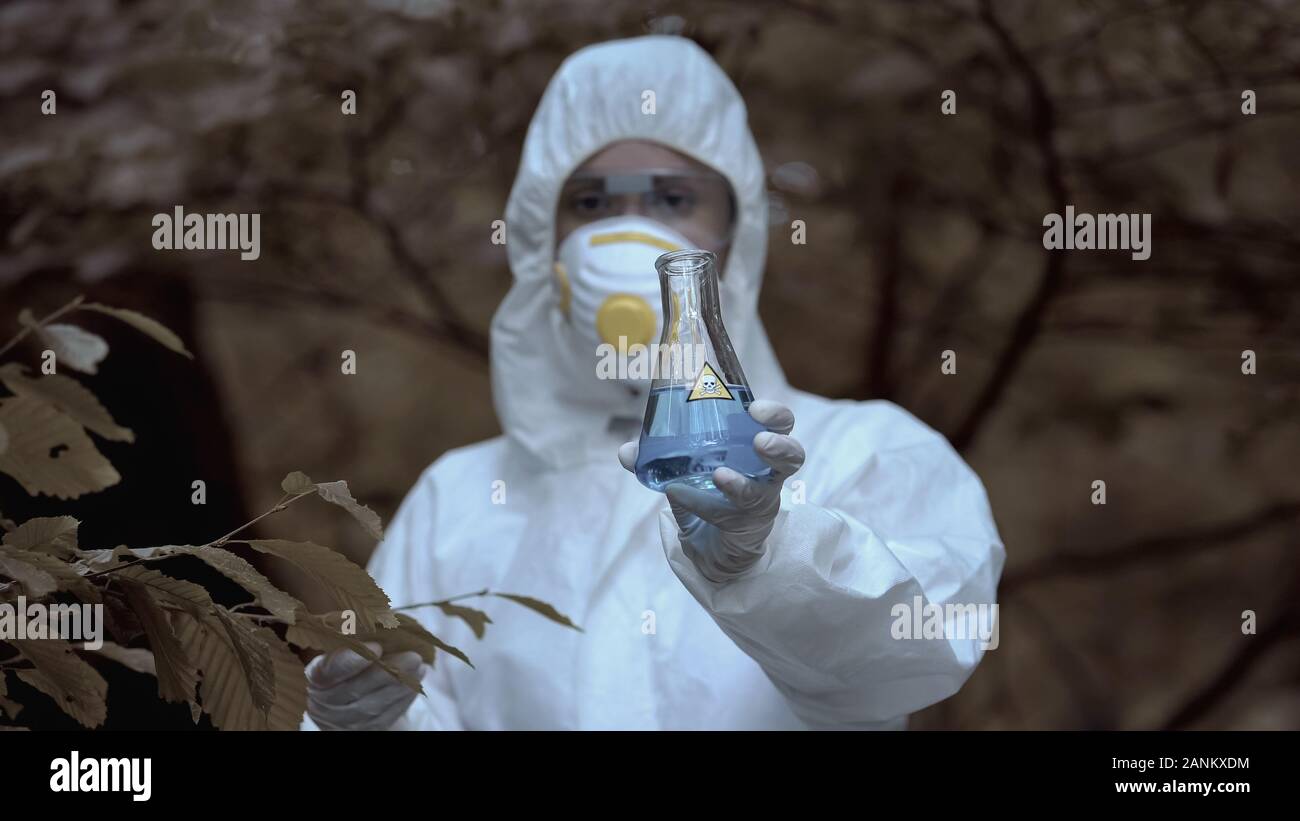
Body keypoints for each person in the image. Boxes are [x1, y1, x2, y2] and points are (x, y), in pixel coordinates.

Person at [303, 35, 1004, 731]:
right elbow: (413, 696)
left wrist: (770, 562)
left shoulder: (868, 450)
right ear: (541, 241)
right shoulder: (455, 500)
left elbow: (917, 654)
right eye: (590, 204)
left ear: (738, 234)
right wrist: (367, 723)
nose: (626, 234)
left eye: (671, 198)